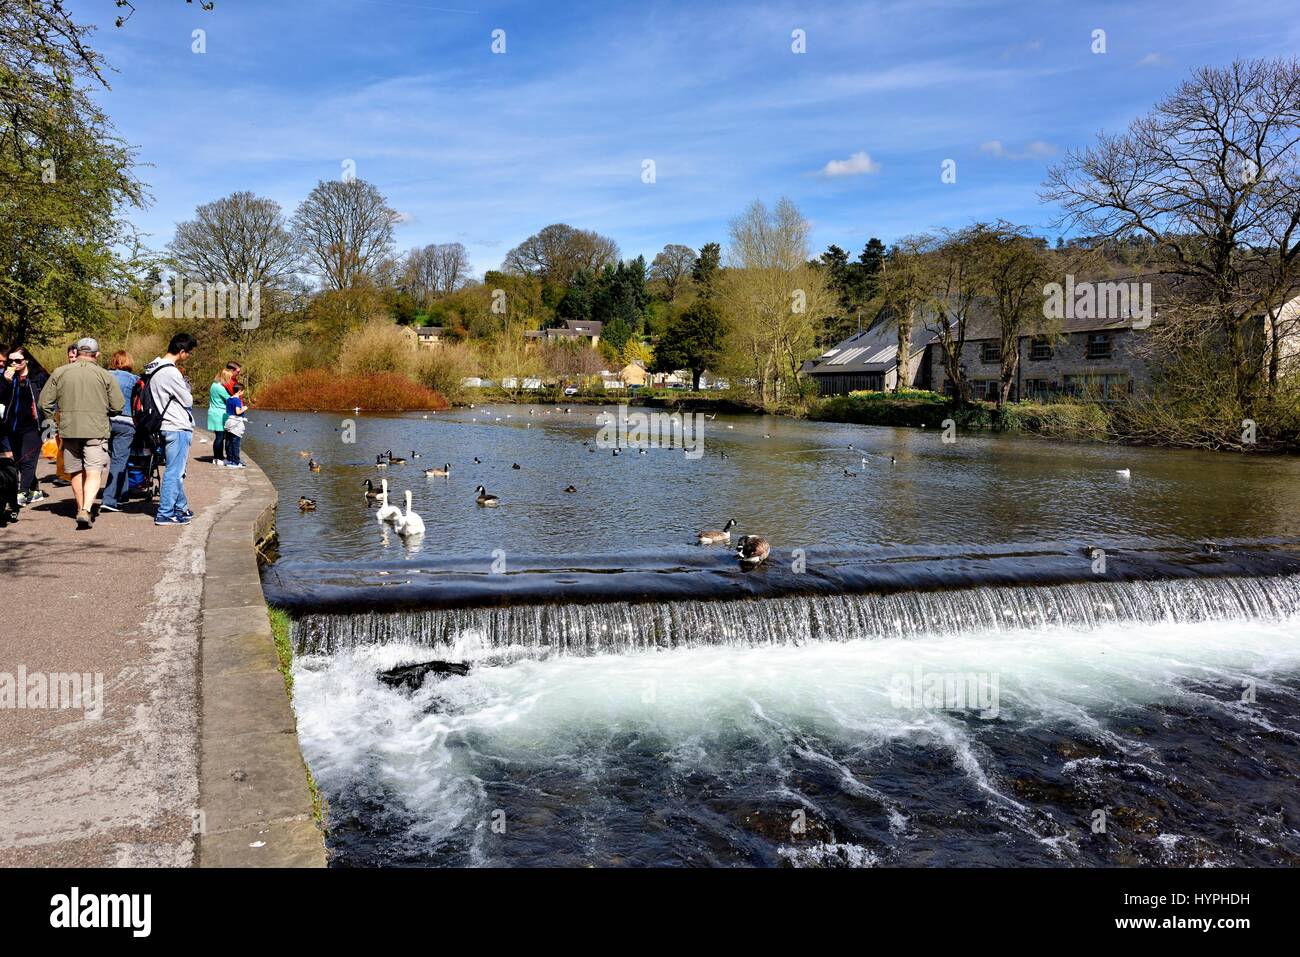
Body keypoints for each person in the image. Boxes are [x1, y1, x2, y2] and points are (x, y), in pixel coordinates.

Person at [38, 338, 124, 529]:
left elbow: (44, 403)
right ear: (97, 355)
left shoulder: (60, 372)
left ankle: (80, 508)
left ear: (76, 353)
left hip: (69, 429)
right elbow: (118, 405)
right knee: (94, 470)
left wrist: (53, 421)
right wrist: (104, 412)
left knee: (75, 470)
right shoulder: (105, 375)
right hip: (96, 429)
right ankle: (86, 508)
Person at [144, 333, 198, 526]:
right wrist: (186, 386)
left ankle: (180, 506)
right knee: (175, 471)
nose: (189, 356)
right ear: (182, 351)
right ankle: (165, 513)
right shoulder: (171, 372)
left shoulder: (153, 367)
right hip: (176, 425)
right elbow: (188, 400)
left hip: (164, 424)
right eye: (189, 353)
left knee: (175, 469)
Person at [2, 346, 51, 506]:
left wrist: (50, 427)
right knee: (17, 460)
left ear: (27, 360)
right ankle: (34, 490)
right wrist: (5, 382)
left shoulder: (39, 377)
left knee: (28, 459)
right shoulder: (7, 377)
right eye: (11, 361)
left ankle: (22, 492)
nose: (14, 363)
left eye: (18, 360)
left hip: (34, 426)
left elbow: (51, 400)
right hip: (12, 425)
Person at [101, 350, 139, 513]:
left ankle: (122, 494)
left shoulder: (104, 376)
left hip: (105, 422)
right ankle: (109, 500)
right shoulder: (135, 380)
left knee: (115, 458)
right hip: (125, 422)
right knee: (119, 460)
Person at [207, 363, 240, 465]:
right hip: (220, 414)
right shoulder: (220, 388)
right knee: (220, 437)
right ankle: (219, 457)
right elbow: (229, 399)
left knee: (218, 437)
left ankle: (216, 457)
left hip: (213, 413)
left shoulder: (213, 385)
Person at [223, 385, 248, 468]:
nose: (243, 393)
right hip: (236, 423)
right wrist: (244, 408)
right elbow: (238, 412)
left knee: (229, 442)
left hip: (229, 421)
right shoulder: (237, 400)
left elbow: (227, 411)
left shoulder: (229, 399)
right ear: (239, 391)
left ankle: (230, 459)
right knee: (236, 442)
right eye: (243, 391)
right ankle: (236, 462)